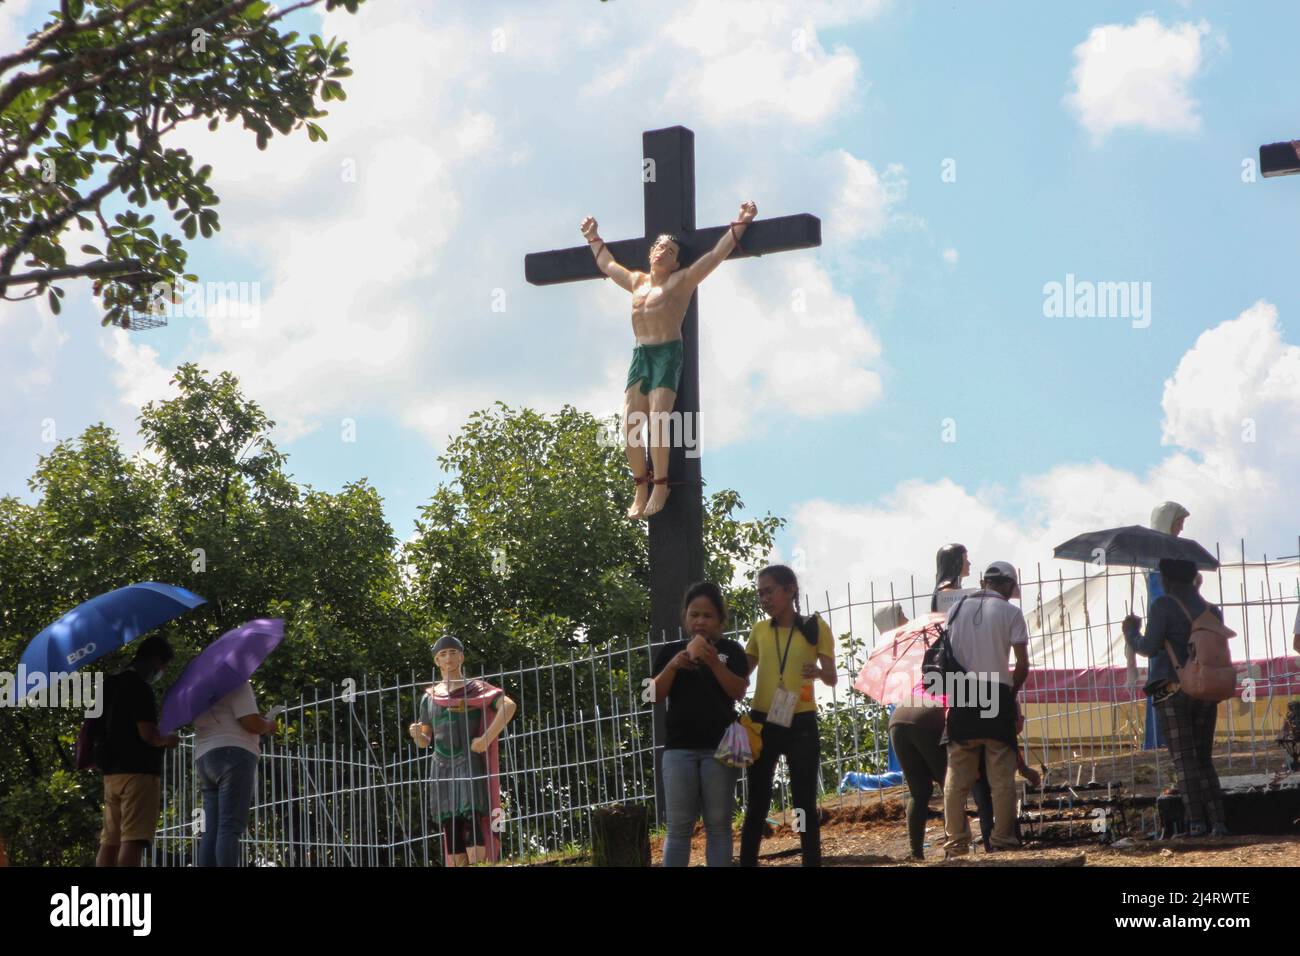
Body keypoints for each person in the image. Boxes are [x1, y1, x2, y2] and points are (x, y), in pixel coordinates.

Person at [580, 201, 757, 519]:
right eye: (659, 247)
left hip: (666, 352)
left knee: (659, 420)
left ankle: (661, 484)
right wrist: (593, 237)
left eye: (671, 252)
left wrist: (741, 222)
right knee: (631, 425)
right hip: (641, 354)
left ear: (676, 264)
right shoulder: (636, 282)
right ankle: (640, 486)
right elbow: (607, 265)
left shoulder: (681, 281)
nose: (663, 252)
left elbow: (716, 255)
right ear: (650, 254)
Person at [1122, 559, 1229, 837]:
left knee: (1184, 760)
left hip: (1172, 690)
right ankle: (1218, 823)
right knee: (1204, 759)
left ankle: (1195, 823)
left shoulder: (1163, 605)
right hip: (1206, 690)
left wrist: (1131, 631)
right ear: (1194, 576)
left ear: (1167, 580)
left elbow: (1149, 646)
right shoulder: (1212, 611)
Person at [739, 564, 836, 866]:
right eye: (760, 594)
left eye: (769, 591)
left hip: (802, 721)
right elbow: (741, 674)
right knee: (757, 799)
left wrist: (818, 673)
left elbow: (832, 677)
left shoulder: (814, 626)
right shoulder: (759, 631)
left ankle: (810, 859)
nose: (764, 599)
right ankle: (746, 861)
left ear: (790, 589)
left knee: (803, 800)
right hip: (762, 720)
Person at [651, 582, 749, 866]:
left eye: (707, 615)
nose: (700, 622)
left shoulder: (731, 650)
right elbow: (650, 695)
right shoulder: (670, 651)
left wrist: (714, 663)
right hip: (678, 749)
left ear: (719, 619)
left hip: (721, 748)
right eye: (694, 615)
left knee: (718, 824)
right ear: (685, 617)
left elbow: (738, 690)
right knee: (679, 827)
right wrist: (673, 667)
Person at [941, 561, 1030, 857]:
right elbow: (1021, 665)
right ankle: (1003, 840)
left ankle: (956, 844)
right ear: (1006, 585)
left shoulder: (955, 610)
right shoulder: (1011, 613)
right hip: (996, 693)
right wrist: (1011, 692)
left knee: (957, 774)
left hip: (962, 693)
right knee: (1001, 777)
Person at [408, 635, 517, 866]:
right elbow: (425, 741)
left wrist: (486, 738)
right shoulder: (429, 697)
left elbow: (508, 705)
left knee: (472, 817)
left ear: (462, 656)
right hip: (440, 764)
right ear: (437, 661)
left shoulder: (476, 688)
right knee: (450, 822)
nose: (448, 658)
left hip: (468, 759)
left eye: (453, 652)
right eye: (443, 655)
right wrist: (418, 734)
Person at [95, 635, 180, 867]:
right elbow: (149, 735)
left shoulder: (110, 684)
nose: (162, 671)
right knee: (132, 839)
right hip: (139, 773)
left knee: (109, 841)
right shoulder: (139, 688)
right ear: (155, 660)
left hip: (111, 772)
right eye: (164, 666)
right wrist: (167, 740)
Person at [193, 681, 278, 866]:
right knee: (229, 826)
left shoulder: (197, 687)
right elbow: (250, 722)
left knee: (212, 829)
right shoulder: (236, 682)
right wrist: (268, 725)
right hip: (234, 753)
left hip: (205, 757)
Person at [931, 543, 971, 614]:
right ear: (957, 563)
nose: (969, 563)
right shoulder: (947, 593)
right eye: (965, 559)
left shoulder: (953, 590)